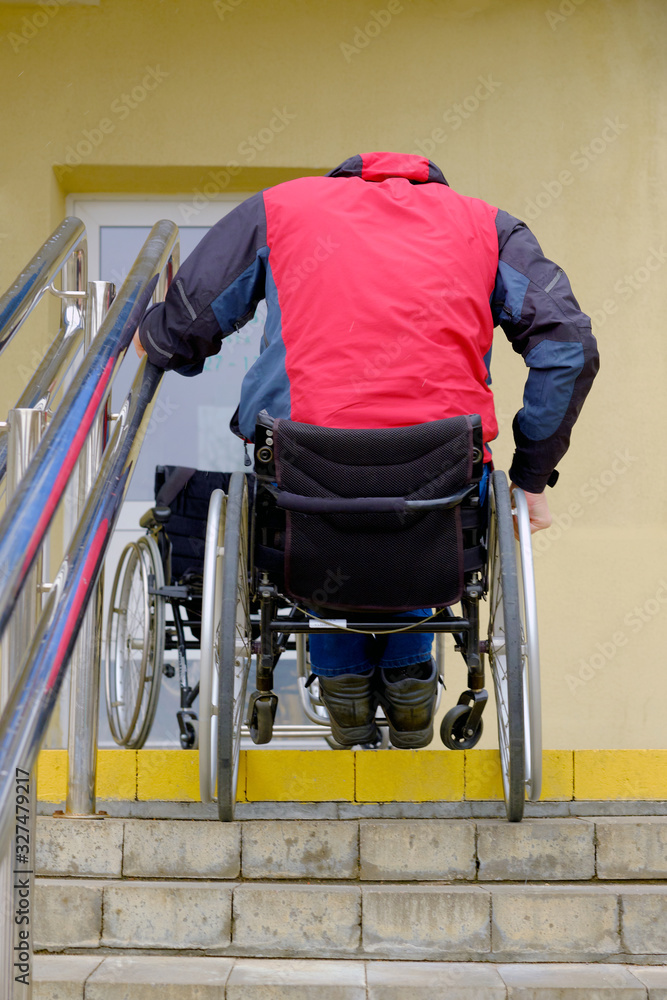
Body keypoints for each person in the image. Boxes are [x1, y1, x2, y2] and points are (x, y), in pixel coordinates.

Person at [135, 151, 598, 748]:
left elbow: (192, 313)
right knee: (431, 488)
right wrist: (532, 476)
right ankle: (409, 682)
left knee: (314, 490)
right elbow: (569, 348)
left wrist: (160, 339)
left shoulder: (281, 209)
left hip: (301, 477)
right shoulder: (489, 227)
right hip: (439, 484)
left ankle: (344, 685)